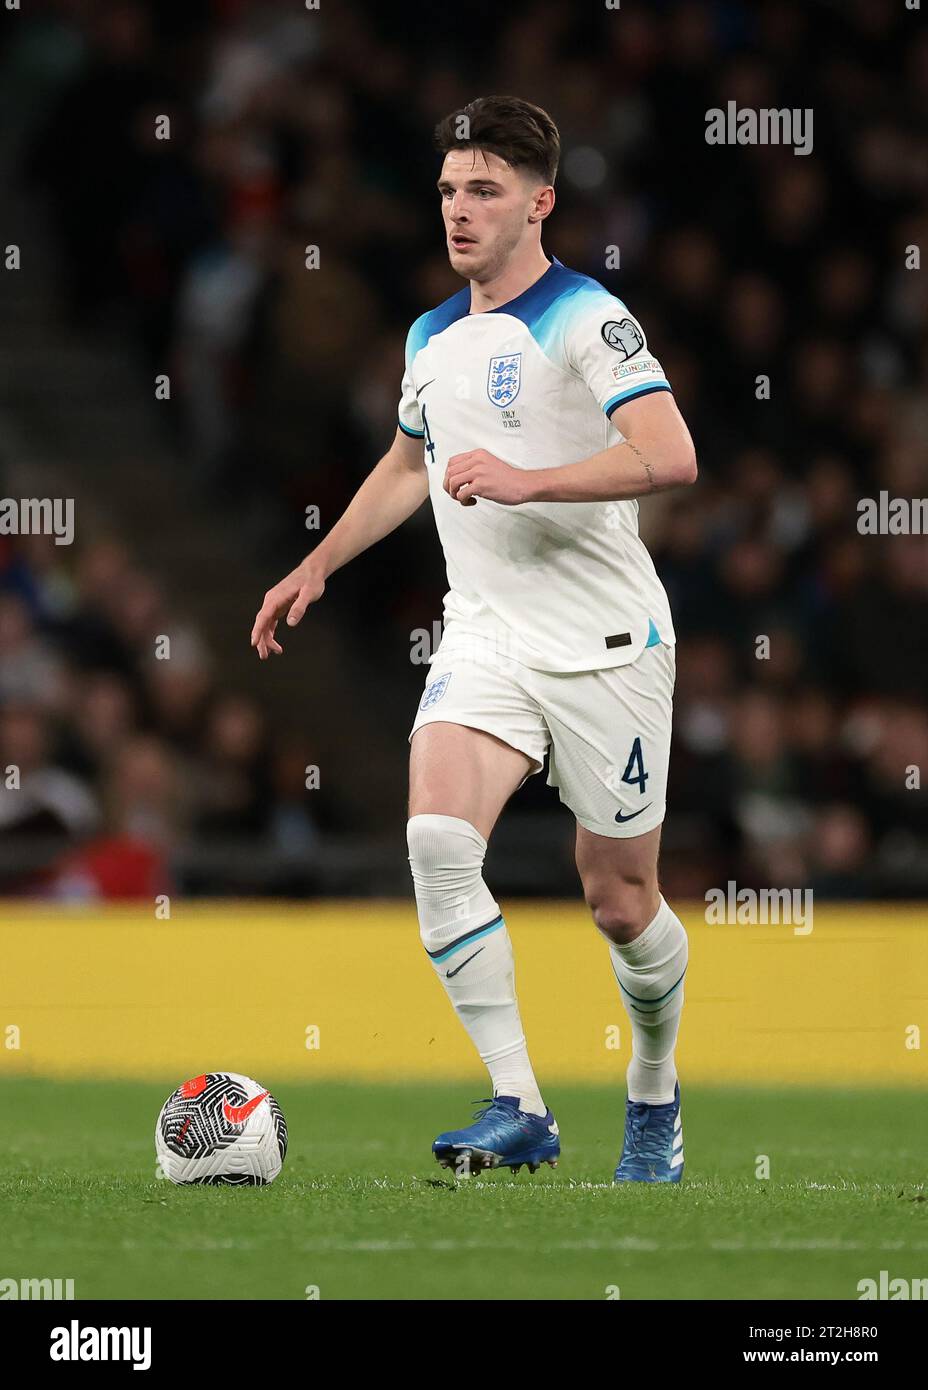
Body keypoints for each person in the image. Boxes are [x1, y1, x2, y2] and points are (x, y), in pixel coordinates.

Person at [251, 96, 697, 1183]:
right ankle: (521, 1102)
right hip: (486, 639)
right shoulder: (429, 335)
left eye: (485, 191)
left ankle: (653, 1094)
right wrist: (318, 562)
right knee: (439, 843)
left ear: (539, 204)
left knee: (619, 900)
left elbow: (670, 455)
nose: (458, 209)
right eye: (450, 189)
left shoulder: (587, 319)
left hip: (605, 644)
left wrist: (528, 478)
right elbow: (409, 464)